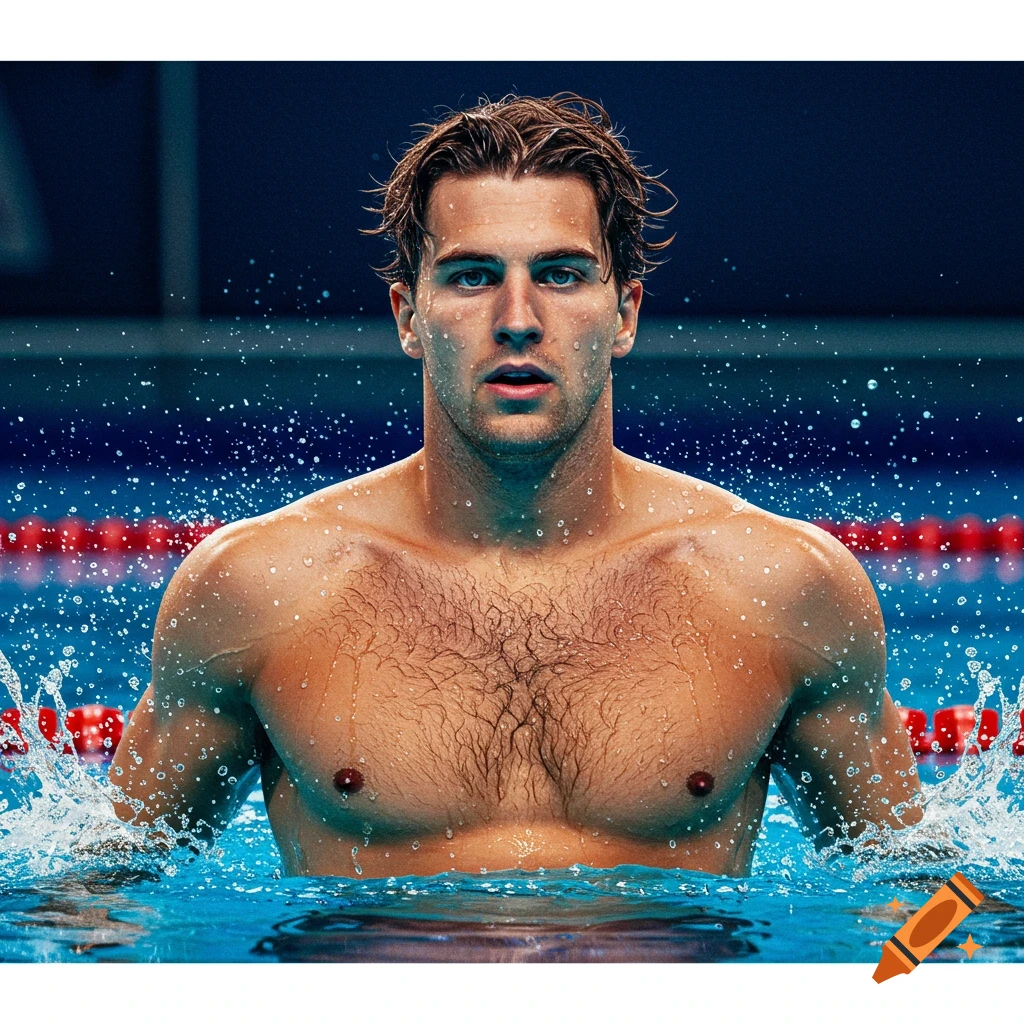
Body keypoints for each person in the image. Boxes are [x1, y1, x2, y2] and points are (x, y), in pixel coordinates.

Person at [109, 93, 923, 877]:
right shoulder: (258, 589)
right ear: (407, 315)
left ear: (627, 312)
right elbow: (99, 896)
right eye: (470, 276)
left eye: (563, 274)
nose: (519, 317)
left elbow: (926, 893)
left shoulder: (782, 588)